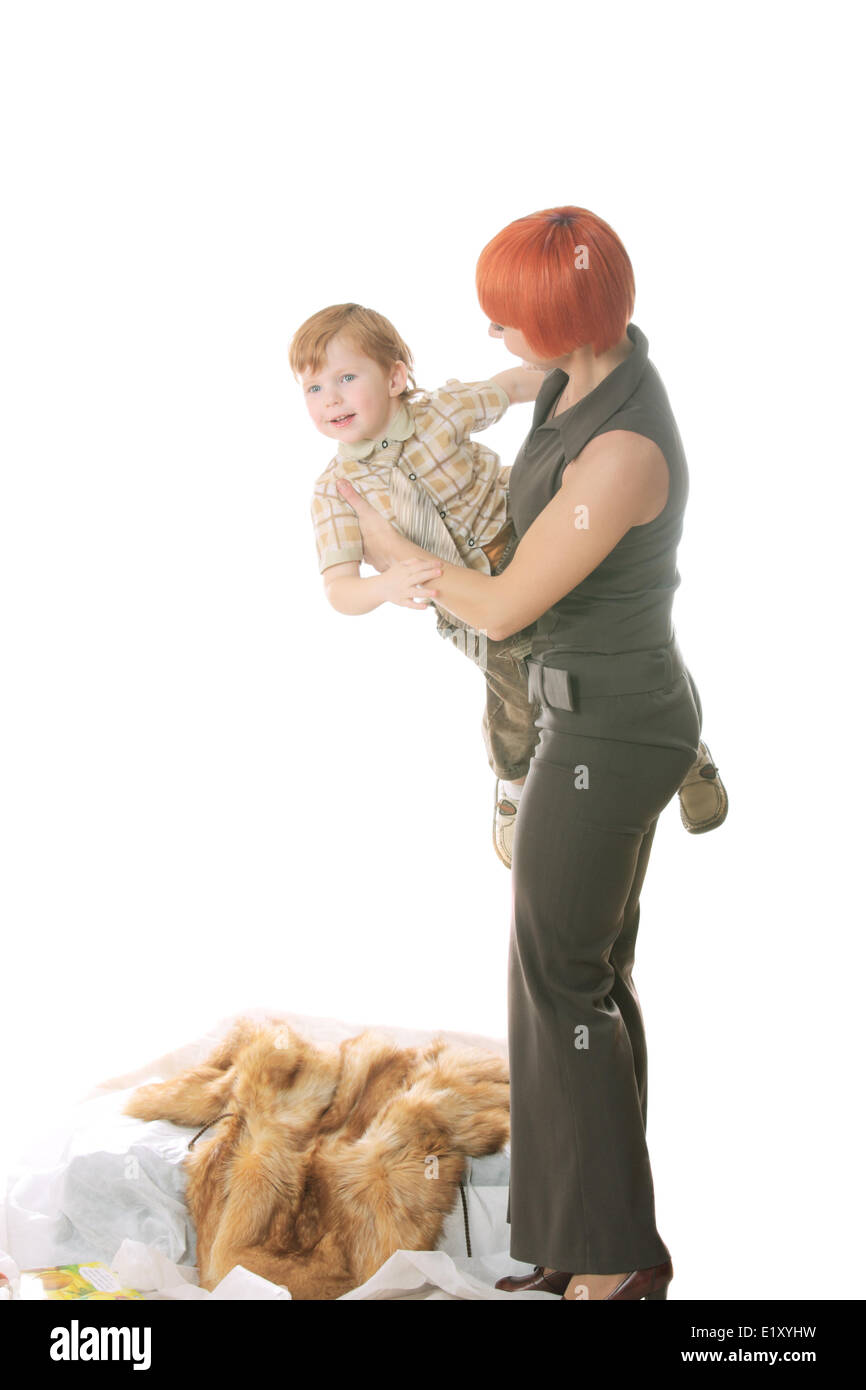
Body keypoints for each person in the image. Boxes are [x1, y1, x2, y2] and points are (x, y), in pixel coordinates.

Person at [333, 205, 712, 1300]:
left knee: (559, 982)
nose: (497, 338)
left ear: (566, 320)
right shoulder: (578, 374)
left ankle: (613, 1260)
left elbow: (499, 608)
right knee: (574, 977)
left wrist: (400, 558)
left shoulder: (622, 452)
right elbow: (495, 392)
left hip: (610, 727)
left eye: (509, 321)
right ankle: (583, 1238)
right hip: (584, 709)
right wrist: (404, 407)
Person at [293, 301, 726, 870]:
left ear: (396, 377)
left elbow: (511, 386)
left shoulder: (440, 412)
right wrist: (385, 584)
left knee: (619, 650)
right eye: (313, 387)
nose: (331, 398)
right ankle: (515, 785)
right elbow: (338, 589)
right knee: (517, 700)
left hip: (532, 543)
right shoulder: (335, 492)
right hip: (468, 604)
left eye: (347, 377)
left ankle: (682, 745)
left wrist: (575, 370)